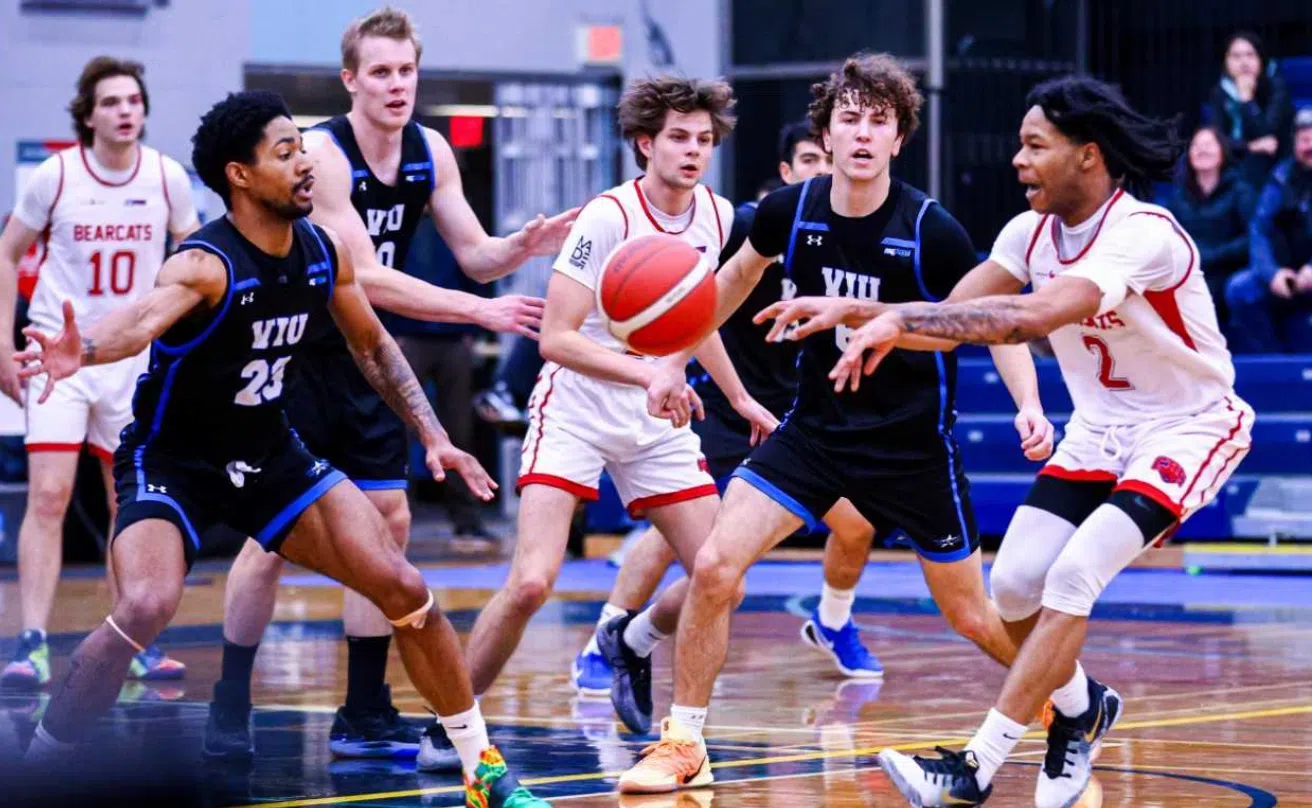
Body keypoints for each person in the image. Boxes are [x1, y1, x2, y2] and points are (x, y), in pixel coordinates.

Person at [17, 89, 552, 808]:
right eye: (285, 153)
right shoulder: (205, 264)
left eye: (303, 148)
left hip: (269, 451)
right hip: (176, 456)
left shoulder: (322, 251)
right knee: (146, 603)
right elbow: (140, 320)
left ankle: (482, 769)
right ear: (240, 175)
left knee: (405, 589)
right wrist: (83, 352)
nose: (306, 165)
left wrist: (434, 436)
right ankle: (41, 766)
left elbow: (375, 347)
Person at [780, 76, 1254, 807]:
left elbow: (1026, 318)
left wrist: (890, 321)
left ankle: (975, 765)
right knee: (1011, 584)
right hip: (1100, 431)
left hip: (1187, 425)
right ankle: (1082, 710)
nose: (1018, 161)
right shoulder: (1026, 235)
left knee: (1073, 577)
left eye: (1035, 146)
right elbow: (951, 311)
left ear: (1088, 156)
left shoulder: (1143, 234)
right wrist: (862, 311)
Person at [617, 53, 1053, 794]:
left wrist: (1030, 404)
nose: (861, 133)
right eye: (848, 118)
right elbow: (726, 286)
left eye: (877, 121)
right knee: (717, 566)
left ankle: (1071, 699)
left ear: (897, 138)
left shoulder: (930, 230)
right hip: (814, 434)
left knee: (973, 616)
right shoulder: (790, 212)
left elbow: (989, 321)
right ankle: (684, 740)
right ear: (827, 129)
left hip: (910, 446)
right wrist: (669, 363)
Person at [202, 6, 572, 766]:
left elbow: (474, 254)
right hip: (294, 351)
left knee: (389, 521)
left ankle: (363, 711)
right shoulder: (325, 158)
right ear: (351, 81)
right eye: (381, 72)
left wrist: (518, 249)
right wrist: (479, 307)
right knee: (271, 541)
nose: (397, 84)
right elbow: (362, 276)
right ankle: (230, 698)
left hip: (365, 360)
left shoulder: (431, 150)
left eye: (406, 70)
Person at [440, 75, 777, 751]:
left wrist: (737, 396)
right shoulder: (608, 217)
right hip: (579, 402)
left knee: (723, 578)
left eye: (704, 140)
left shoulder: (716, 214)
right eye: (679, 138)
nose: (693, 151)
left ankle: (632, 634)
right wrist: (649, 372)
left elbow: (694, 316)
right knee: (533, 582)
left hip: (654, 410)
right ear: (645, 142)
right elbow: (555, 337)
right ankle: (450, 724)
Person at [571, 119, 888, 699]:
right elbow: (689, 302)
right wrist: (673, 367)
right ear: (787, 174)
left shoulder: (852, 234)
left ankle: (834, 621)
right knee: (678, 536)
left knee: (858, 524)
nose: (822, 171)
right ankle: (602, 639)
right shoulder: (751, 226)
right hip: (724, 404)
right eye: (810, 160)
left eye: (828, 161)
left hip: (797, 411)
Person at [0, 56, 197, 689]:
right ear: (88, 115)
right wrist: (3, 345)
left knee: (129, 503)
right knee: (50, 495)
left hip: (131, 359)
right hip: (62, 360)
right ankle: (30, 641)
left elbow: (198, 262)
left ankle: (132, 640)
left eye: (133, 100)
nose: (125, 110)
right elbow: (6, 255)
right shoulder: (56, 176)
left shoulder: (167, 177)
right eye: (111, 101)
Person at [1224, 107, 1312, 353]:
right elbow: (1259, 230)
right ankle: (1275, 360)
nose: (1309, 146)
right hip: (1284, 274)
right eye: (1304, 139)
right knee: (1239, 290)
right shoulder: (1281, 177)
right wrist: (1271, 273)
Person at [1162, 125, 1255, 328]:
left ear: (1222, 152)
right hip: (1189, 269)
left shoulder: (1241, 190)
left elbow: (1251, 237)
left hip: (1226, 268)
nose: (1202, 150)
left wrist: (1213, 254)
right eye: (1196, 145)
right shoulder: (1178, 196)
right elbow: (1167, 236)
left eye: (1208, 145)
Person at [1206, 30, 1295, 188]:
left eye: (1250, 55)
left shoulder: (1276, 87)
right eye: (1236, 56)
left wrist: (1247, 99)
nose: (1244, 62)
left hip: (1275, 162)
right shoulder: (1220, 91)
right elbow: (1217, 138)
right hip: (1235, 161)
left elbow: (1268, 136)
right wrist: (1249, 147)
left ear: (1261, 60)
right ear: (1226, 63)